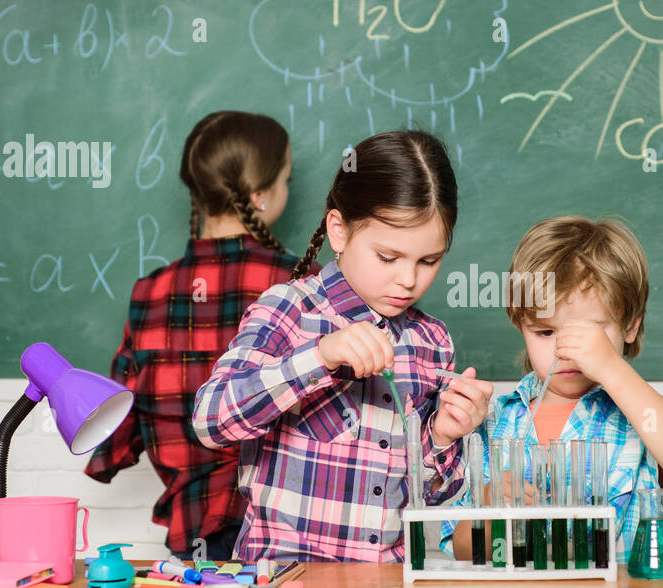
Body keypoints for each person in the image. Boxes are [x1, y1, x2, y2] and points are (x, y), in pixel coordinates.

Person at [192, 130, 493, 563]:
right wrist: (320, 357)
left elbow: (433, 496)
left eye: (429, 261)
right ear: (339, 231)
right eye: (388, 258)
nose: (408, 280)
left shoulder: (431, 341)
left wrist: (444, 436)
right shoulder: (289, 310)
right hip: (285, 587)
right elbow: (210, 421)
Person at [85, 111, 310, 561]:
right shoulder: (301, 286)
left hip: (194, 543)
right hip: (286, 537)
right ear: (261, 196)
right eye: (286, 179)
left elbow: (117, 431)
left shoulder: (151, 293)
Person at [442, 216, 663, 564]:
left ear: (630, 326)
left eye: (589, 333)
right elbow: (461, 549)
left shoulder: (644, 419)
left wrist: (611, 368)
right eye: (545, 333)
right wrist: (489, 509)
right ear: (521, 327)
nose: (566, 350)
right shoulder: (494, 424)